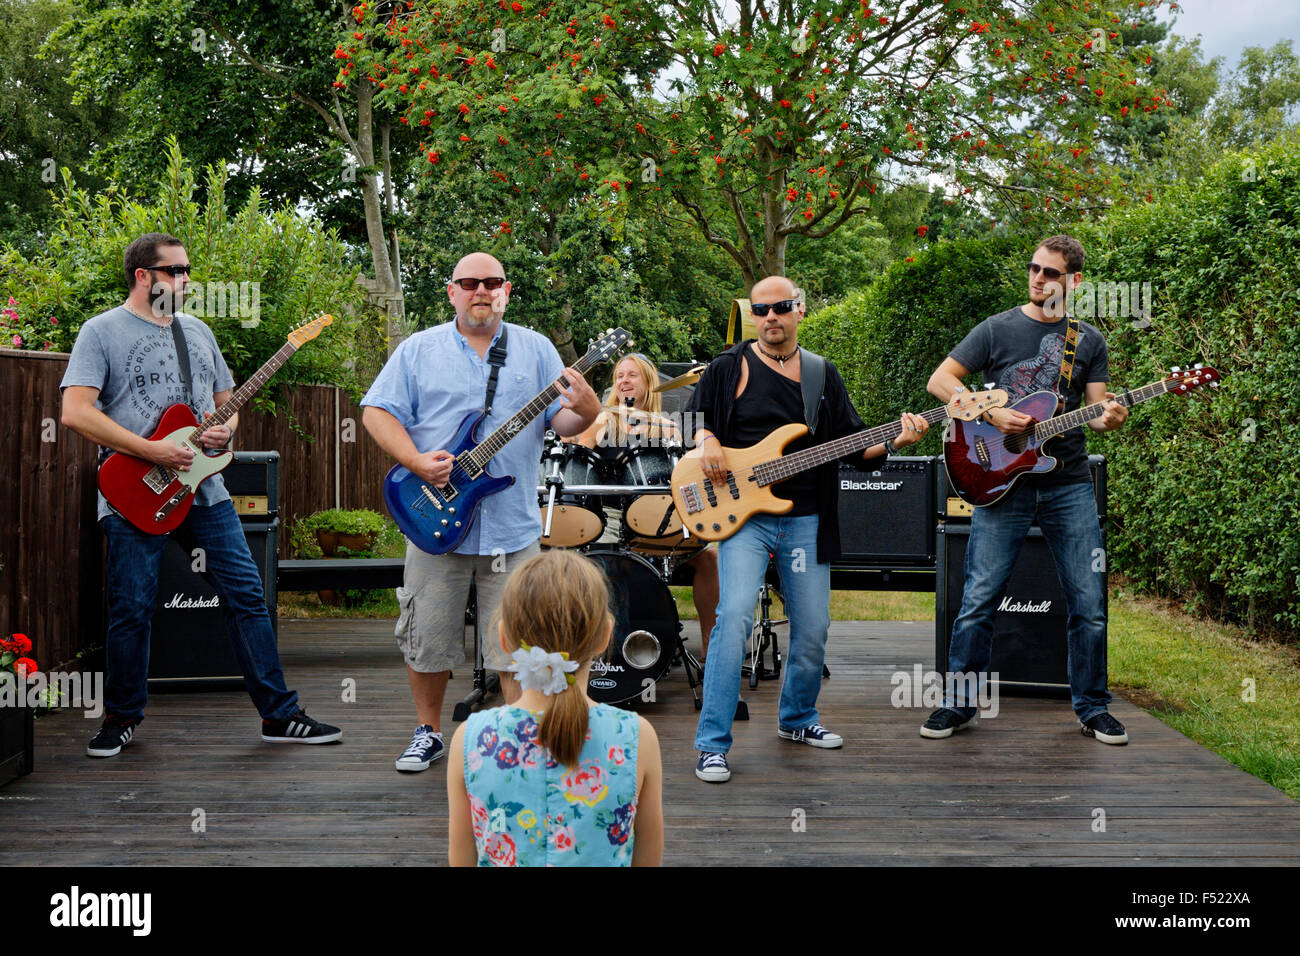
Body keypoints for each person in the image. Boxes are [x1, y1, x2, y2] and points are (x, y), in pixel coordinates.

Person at [60, 232, 342, 757]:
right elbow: (76, 413)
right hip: (133, 492)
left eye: (188, 271)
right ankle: (121, 717)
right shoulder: (100, 332)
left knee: (247, 596)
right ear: (144, 276)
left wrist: (225, 431)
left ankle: (279, 715)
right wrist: (153, 452)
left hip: (204, 489)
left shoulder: (197, 332)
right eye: (175, 271)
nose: (186, 280)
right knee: (132, 607)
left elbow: (225, 402)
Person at [361, 252, 600, 773]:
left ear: (506, 290)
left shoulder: (536, 349)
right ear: (452, 291)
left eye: (491, 282)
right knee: (426, 633)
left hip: (510, 530)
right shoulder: (417, 350)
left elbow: (564, 424)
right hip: (431, 522)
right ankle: (427, 733)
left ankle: (518, 737)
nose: (481, 291)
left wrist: (589, 407)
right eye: (469, 283)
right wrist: (415, 460)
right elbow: (375, 411)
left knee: (520, 641)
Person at [687, 276, 930, 782]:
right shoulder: (727, 366)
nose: (770, 316)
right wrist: (707, 439)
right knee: (731, 619)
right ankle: (712, 743)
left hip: (806, 517)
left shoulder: (822, 373)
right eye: (760, 309)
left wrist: (895, 441)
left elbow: (855, 445)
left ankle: (797, 718)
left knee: (814, 627)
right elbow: (693, 422)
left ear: (799, 310)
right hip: (744, 518)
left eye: (780, 307)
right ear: (752, 315)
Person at [920, 234, 1131, 745]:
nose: (1039, 279)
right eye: (1034, 269)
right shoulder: (996, 329)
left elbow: (1099, 413)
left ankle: (1092, 708)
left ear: (1073, 281)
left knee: (1088, 600)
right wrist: (989, 410)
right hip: (1001, 481)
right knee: (979, 599)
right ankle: (958, 704)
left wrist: (1112, 417)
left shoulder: (1089, 340)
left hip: (1069, 483)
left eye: (1051, 272)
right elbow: (940, 381)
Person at [446, 549, 663, 866]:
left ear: (504, 638)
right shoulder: (637, 737)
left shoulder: (470, 740)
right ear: (605, 635)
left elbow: (462, 858)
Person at [569, 353, 721, 658]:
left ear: (649, 383)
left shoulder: (668, 426)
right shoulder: (602, 419)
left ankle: (712, 648)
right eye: (619, 376)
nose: (624, 380)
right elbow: (576, 454)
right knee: (605, 563)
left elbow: (681, 471)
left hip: (661, 517)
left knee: (710, 558)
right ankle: (613, 653)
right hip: (612, 517)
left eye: (632, 375)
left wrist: (657, 428)